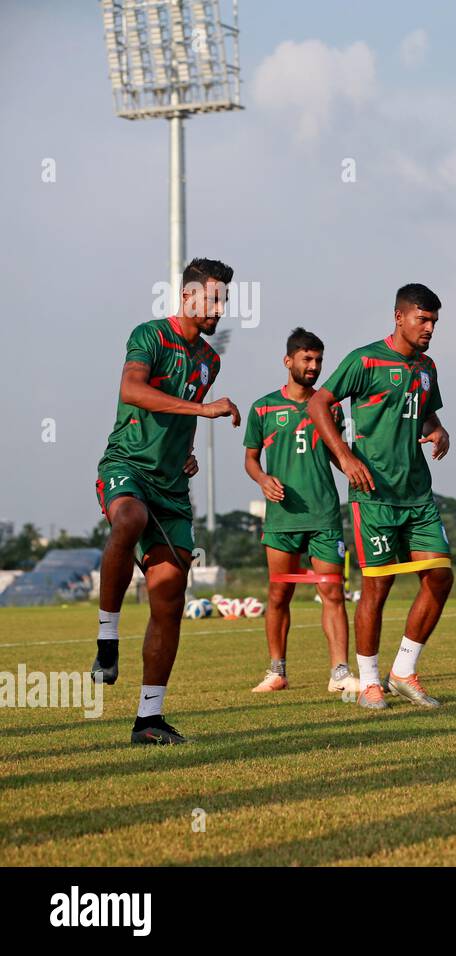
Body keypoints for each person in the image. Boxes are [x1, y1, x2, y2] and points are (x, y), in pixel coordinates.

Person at [92, 257, 241, 744]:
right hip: (127, 468)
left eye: (224, 300)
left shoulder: (209, 360)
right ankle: (107, 635)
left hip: (172, 487)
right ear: (186, 297)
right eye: (212, 298)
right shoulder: (150, 335)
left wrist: (188, 452)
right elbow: (132, 390)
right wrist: (203, 409)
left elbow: (176, 416)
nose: (219, 309)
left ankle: (148, 720)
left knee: (170, 595)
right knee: (128, 517)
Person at [309, 284, 453, 710]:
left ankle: (403, 672)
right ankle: (369, 682)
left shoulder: (427, 367)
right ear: (399, 316)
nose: (429, 328)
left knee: (440, 576)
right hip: (372, 496)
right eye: (422, 320)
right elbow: (320, 403)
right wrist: (345, 456)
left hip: (417, 493)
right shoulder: (364, 359)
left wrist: (438, 428)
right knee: (378, 586)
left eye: (434, 322)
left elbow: (426, 410)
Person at [243, 327, 359, 695]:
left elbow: (339, 455)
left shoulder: (329, 407)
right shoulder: (263, 408)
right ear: (288, 361)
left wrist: (360, 472)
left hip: (324, 514)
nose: (314, 366)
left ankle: (339, 673)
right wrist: (262, 479)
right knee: (279, 595)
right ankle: (277, 671)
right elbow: (250, 459)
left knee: (333, 592)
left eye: (319, 360)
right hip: (281, 519)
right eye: (307, 359)